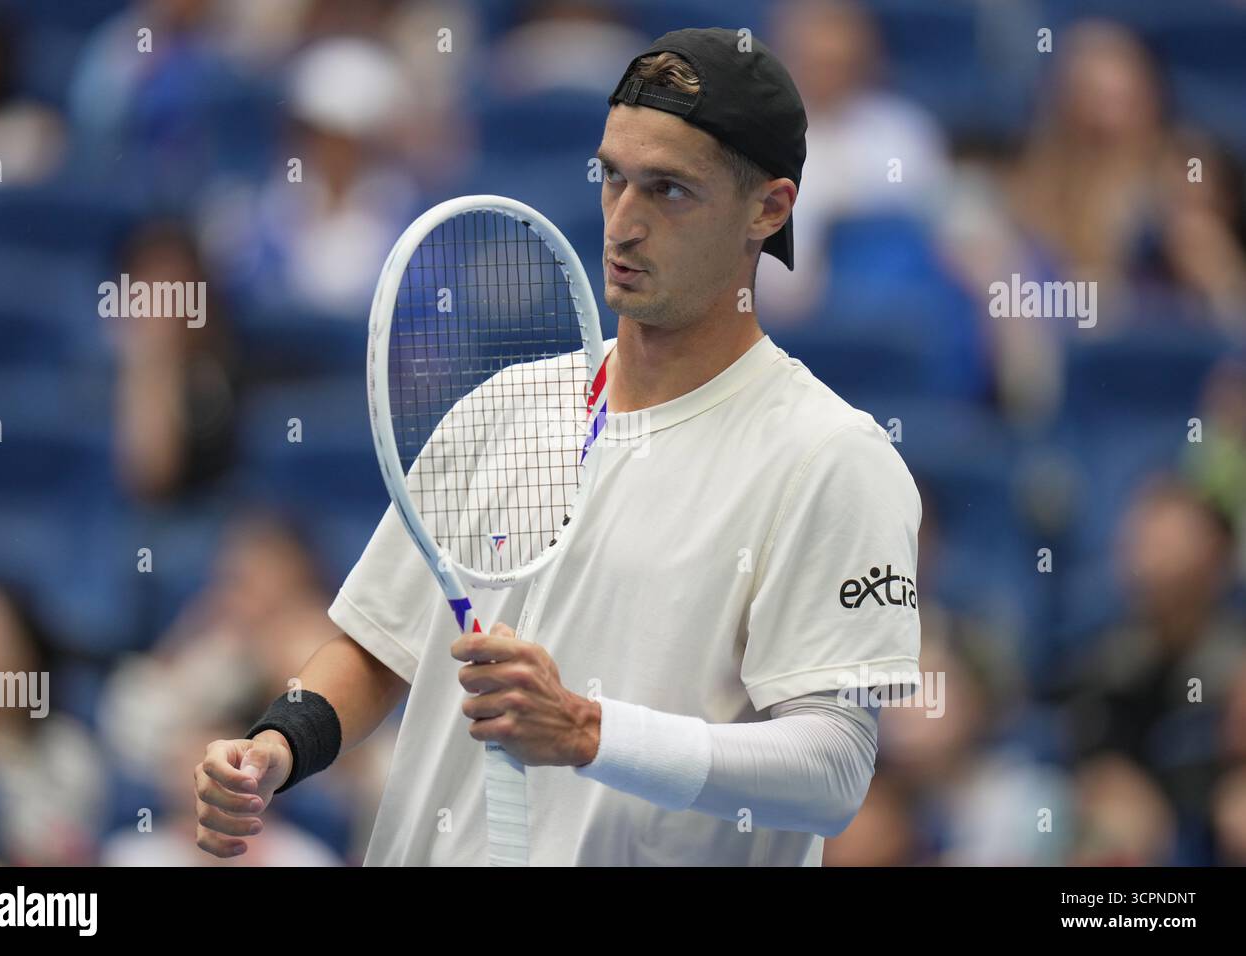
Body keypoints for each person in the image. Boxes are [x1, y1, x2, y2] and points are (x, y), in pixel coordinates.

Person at [196, 27, 923, 866]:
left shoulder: (832, 458)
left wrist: (589, 730)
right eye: (613, 178)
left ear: (769, 207)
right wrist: (277, 746)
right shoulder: (501, 408)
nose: (624, 223)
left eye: (669, 190)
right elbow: (378, 649)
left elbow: (834, 769)